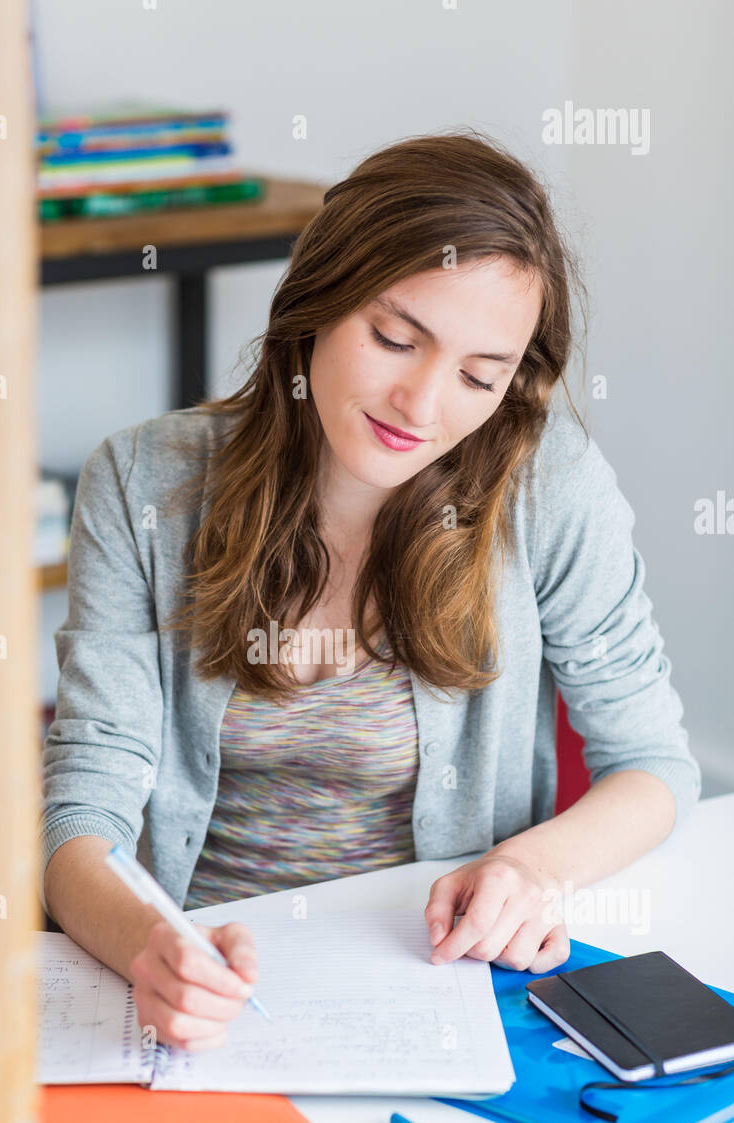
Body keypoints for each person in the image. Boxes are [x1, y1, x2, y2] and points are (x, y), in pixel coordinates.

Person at [40, 130, 699, 1055]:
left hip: (437, 985)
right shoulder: (143, 483)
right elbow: (82, 813)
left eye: (480, 375)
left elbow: (656, 768)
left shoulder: (550, 486)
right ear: (316, 304)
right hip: (216, 983)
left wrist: (531, 868)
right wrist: (154, 946)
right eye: (395, 338)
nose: (424, 406)